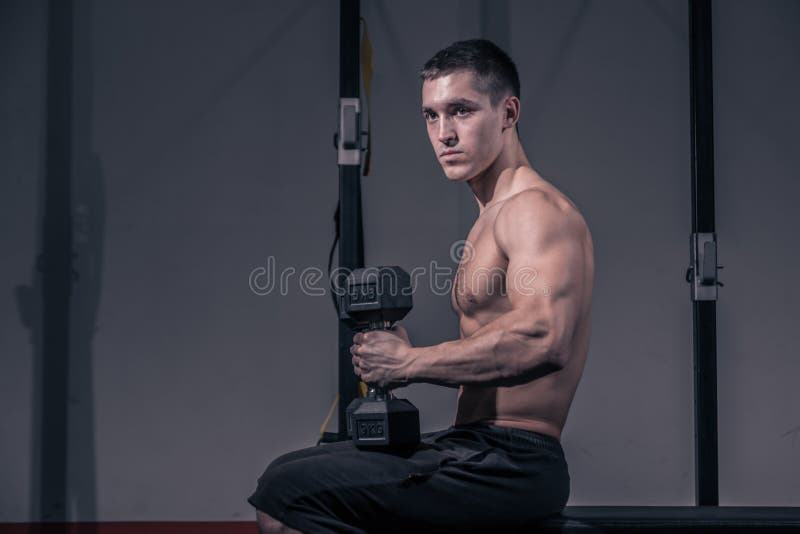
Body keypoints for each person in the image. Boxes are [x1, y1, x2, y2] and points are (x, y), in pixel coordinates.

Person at [249, 38, 594, 534]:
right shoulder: (492, 215)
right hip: (474, 446)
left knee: (286, 495)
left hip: (511, 463)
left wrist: (412, 363)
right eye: (431, 116)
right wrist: (404, 359)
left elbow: (545, 339)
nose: (444, 133)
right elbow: (497, 356)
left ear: (508, 112)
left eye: (461, 111)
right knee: (285, 472)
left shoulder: (534, 210)